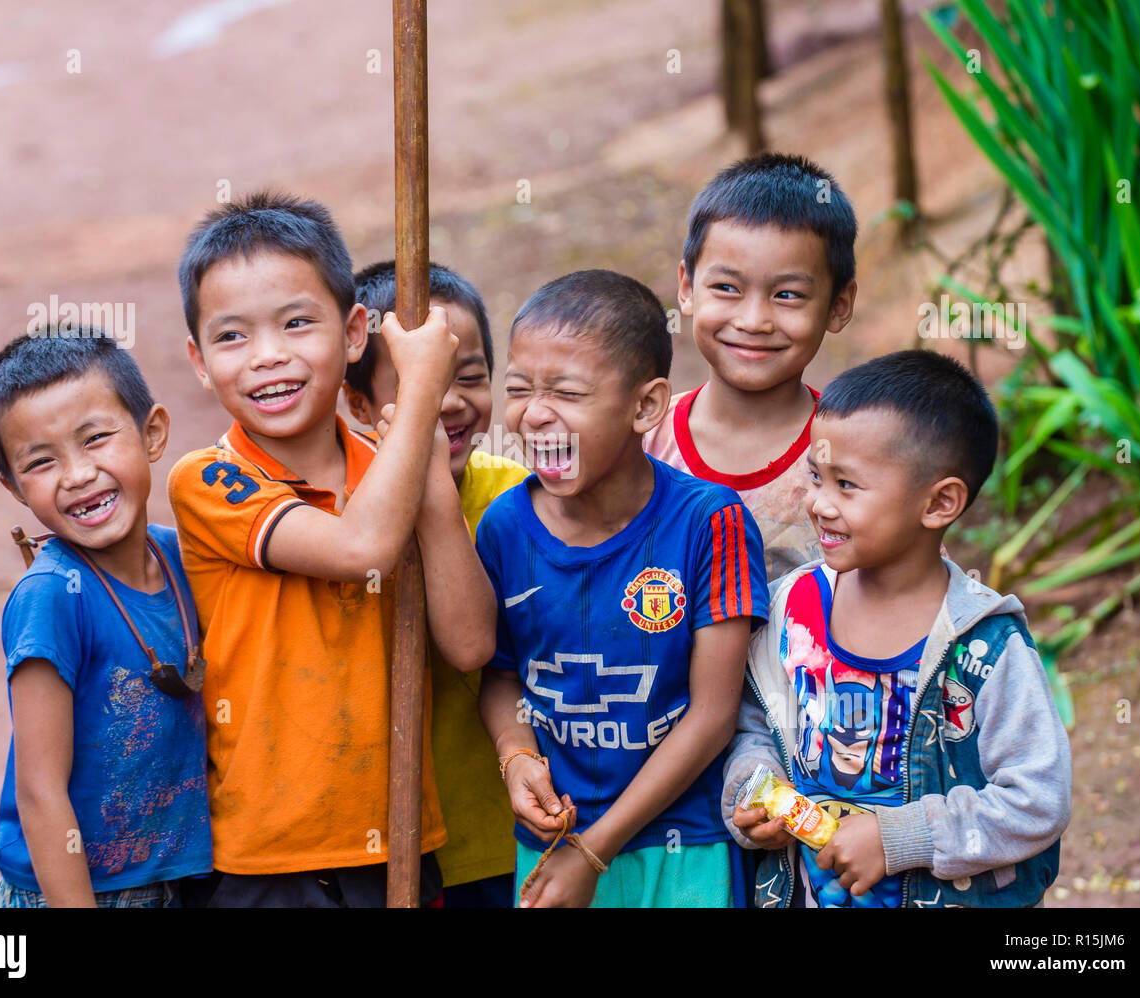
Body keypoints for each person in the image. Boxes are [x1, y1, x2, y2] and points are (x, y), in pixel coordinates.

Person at [167, 191, 497, 907]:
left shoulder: (393, 464)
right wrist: (418, 396)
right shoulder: (209, 479)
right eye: (232, 337)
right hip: (264, 859)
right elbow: (363, 547)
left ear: (353, 335)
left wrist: (432, 488)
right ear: (198, 360)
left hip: (401, 845)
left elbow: (470, 646)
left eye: (296, 323)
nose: (269, 357)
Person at [724, 350, 1072, 908]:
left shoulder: (983, 645)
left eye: (847, 485)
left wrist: (897, 839)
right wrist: (752, 788)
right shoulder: (792, 609)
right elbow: (753, 726)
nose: (818, 503)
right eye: (816, 476)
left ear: (939, 503)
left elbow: (1036, 799)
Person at [476, 269, 768, 907]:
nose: (534, 413)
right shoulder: (504, 526)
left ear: (645, 406)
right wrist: (516, 756)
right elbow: (500, 675)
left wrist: (597, 849)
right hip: (554, 841)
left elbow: (713, 714)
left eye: (568, 392)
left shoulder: (707, 522)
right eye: (519, 388)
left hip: (684, 846)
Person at [0, 331, 212, 907]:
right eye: (41, 461)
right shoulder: (53, 597)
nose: (78, 474)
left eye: (97, 439)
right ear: (12, 486)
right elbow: (40, 792)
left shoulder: (187, 558)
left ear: (152, 433)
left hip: (178, 882)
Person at [344, 260, 528, 907]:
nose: (448, 400)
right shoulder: (342, 521)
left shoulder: (520, 502)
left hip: (499, 836)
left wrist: (433, 497)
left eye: (469, 376)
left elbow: (474, 647)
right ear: (360, 404)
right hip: (377, 848)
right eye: (419, 385)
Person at [644, 152, 857, 582]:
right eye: (726, 288)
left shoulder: (857, 455)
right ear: (686, 288)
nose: (753, 321)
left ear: (838, 306)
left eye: (788, 295)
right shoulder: (640, 439)